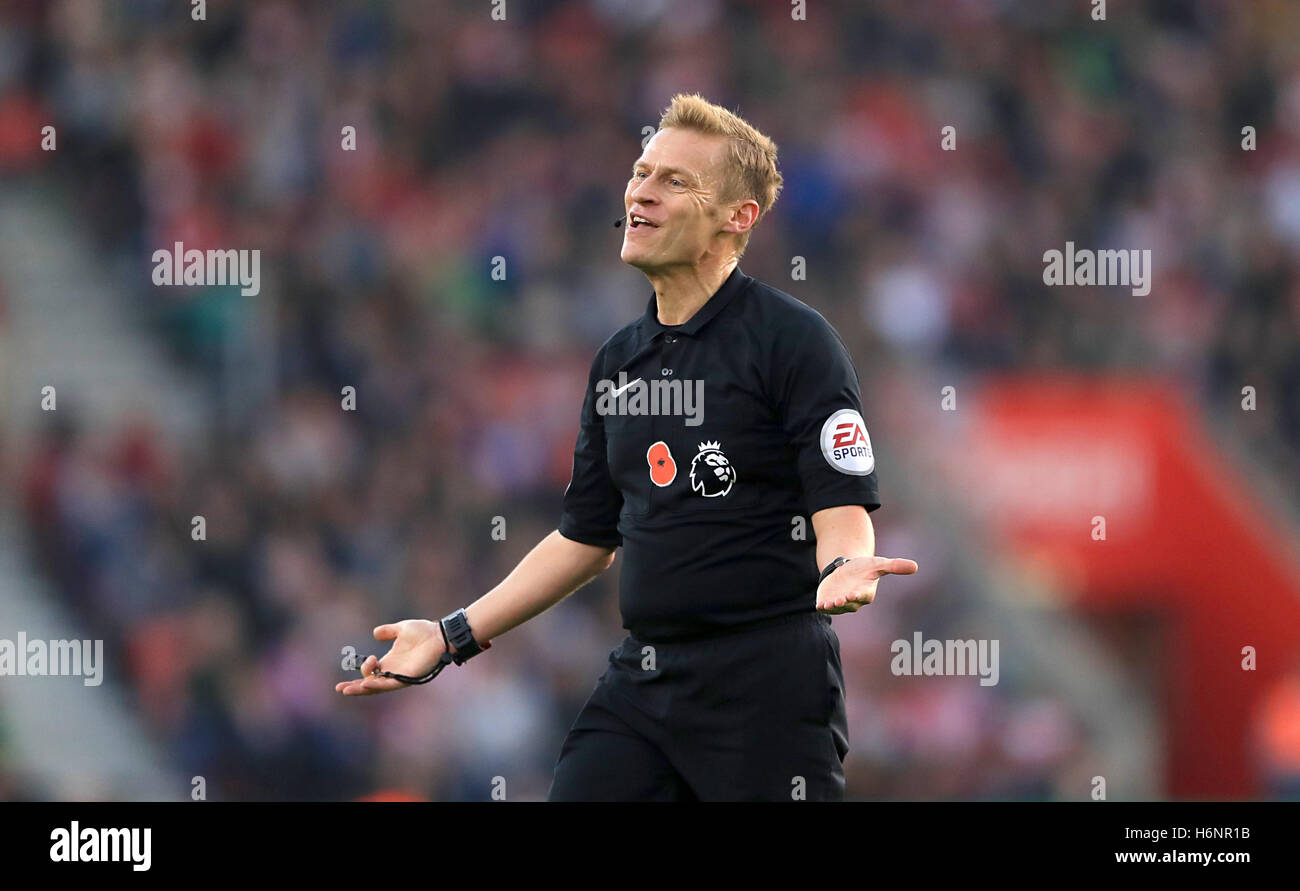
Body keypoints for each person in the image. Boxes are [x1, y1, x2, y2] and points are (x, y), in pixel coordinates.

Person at [336, 93, 918, 801]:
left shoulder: (793, 341)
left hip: (767, 688)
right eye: (641, 172)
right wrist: (449, 635)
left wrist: (846, 563)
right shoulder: (619, 362)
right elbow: (585, 538)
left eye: (674, 180)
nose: (641, 191)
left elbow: (840, 501)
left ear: (737, 217)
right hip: (643, 683)